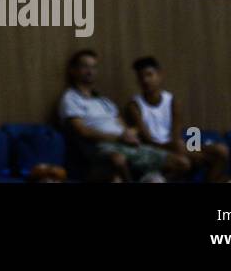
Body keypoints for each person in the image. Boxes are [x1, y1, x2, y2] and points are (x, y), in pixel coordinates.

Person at [59, 49, 187, 182]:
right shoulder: (70, 98)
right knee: (118, 160)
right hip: (102, 147)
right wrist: (119, 137)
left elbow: (123, 126)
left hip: (126, 145)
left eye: (93, 67)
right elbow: (82, 131)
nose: (90, 71)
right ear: (73, 70)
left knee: (182, 163)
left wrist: (131, 134)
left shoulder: (104, 101)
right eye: (85, 66)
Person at [124, 56, 229, 182]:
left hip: (175, 146)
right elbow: (147, 140)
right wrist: (178, 149)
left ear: (159, 75)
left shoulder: (172, 100)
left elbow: (176, 134)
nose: (145, 80)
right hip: (153, 149)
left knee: (221, 151)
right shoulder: (134, 105)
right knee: (185, 161)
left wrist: (179, 147)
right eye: (141, 77)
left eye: (149, 75)